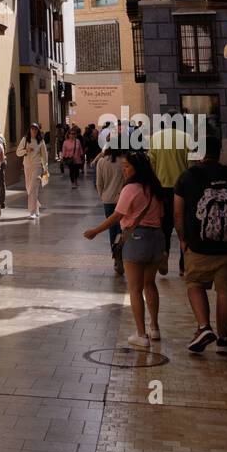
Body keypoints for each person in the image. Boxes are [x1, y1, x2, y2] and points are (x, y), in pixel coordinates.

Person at [174, 137, 227, 356]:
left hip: (198, 246)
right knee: (226, 292)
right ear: (220, 152)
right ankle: (224, 339)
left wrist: (182, 240)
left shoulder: (187, 177)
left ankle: (203, 326)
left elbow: (178, 214)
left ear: (199, 153)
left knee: (195, 284)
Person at [84, 151, 165, 348]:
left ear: (137, 169)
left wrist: (95, 231)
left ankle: (141, 334)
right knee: (150, 284)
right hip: (156, 239)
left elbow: (116, 216)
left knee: (135, 289)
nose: (124, 169)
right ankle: (154, 327)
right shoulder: (155, 188)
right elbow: (162, 215)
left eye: (127, 166)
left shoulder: (130, 189)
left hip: (136, 238)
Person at [148, 114, 194, 277]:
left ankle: (165, 252)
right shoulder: (187, 138)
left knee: (164, 226)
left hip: (162, 189)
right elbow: (191, 165)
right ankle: (183, 265)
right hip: (183, 189)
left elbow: (151, 164)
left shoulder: (155, 138)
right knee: (185, 226)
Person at [94, 142, 127, 275]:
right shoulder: (124, 162)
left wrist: (103, 196)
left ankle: (115, 255)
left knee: (111, 229)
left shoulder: (102, 162)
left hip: (107, 200)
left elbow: (99, 182)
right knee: (122, 229)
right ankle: (122, 254)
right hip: (122, 200)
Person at [16, 123, 48, 219]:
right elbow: (18, 152)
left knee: (33, 188)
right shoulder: (25, 140)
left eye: (35, 129)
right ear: (29, 130)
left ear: (38, 131)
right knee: (29, 188)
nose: (34, 131)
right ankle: (36, 206)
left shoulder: (41, 141)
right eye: (32, 129)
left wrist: (45, 168)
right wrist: (26, 150)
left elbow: (44, 156)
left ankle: (32, 211)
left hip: (37, 167)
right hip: (27, 166)